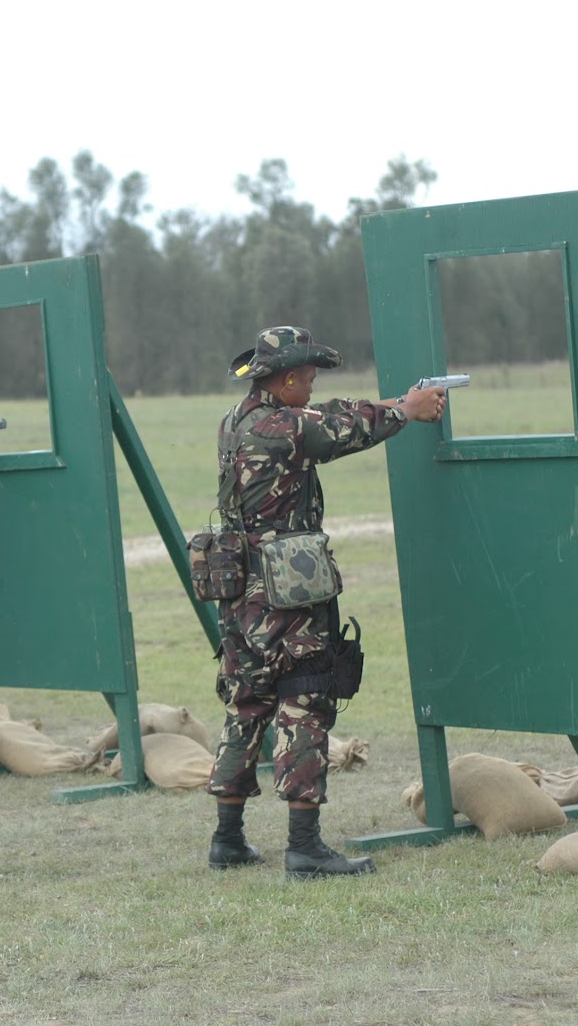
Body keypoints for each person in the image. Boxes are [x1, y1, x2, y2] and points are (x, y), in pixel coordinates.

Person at [206, 326, 445, 879]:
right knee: (305, 701)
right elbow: (340, 428)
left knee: (246, 704)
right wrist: (406, 412)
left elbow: (331, 415)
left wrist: (400, 401)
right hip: (285, 594)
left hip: (240, 592)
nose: (313, 387)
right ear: (287, 380)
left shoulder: (237, 420)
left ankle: (228, 839)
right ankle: (305, 847)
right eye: (309, 379)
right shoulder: (288, 428)